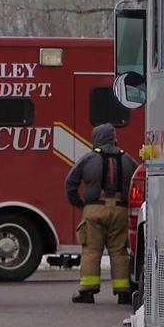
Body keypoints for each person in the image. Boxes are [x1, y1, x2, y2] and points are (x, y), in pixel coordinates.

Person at [65, 124, 139, 304]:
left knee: (91, 250)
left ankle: (87, 292)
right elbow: (139, 181)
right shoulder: (128, 160)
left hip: (94, 209)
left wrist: (80, 204)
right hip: (121, 210)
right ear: (114, 138)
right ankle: (124, 293)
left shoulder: (88, 159)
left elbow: (70, 183)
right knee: (119, 251)